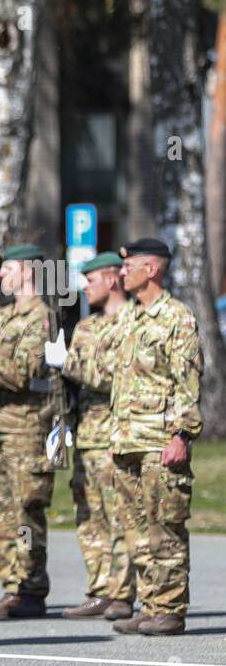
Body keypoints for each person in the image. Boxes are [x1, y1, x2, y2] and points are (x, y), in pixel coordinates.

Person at [109, 238, 202, 636]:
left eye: (130, 266)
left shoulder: (177, 318)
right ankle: (150, 604)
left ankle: (169, 608)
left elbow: (188, 383)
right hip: (127, 439)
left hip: (160, 440)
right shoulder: (129, 317)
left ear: (152, 270)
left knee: (165, 526)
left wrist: (181, 435)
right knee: (136, 527)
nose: (122, 273)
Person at [0, 243, 54, 619]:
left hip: (26, 431)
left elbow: (24, 372)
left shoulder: (42, 318)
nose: (2, 276)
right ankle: (12, 587)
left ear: (29, 271)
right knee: (0, 513)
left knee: (25, 513)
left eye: (8, 269)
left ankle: (31, 587)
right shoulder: (0, 318)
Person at [60, 252, 135, 620]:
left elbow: (114, 377)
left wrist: (67, 364)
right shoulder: (87, 326)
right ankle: (99, 587)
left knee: (118, 514)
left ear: (112, 278)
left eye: (92, 279)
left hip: (115, 434)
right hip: (87, 432)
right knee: (89, 515)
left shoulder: (131, 323)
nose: (86, 287)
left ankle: (120, 593)